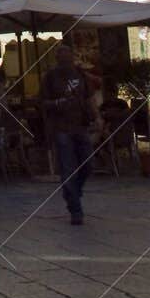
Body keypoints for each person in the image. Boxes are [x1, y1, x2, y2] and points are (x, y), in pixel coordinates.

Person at [41, 40, 99, 226]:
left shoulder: (81, 74)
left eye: (68, 57)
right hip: (61, 128)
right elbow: (42, 102)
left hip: (80, 125)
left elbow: (89, 98)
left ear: (73, 58)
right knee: (67, 168)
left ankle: (73, 190)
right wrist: (57, 103)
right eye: (62, 58)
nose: (66, 61)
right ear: (57, 59)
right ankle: (75, 209)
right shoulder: (50, 77)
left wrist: (97, 117)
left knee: (88, 163)